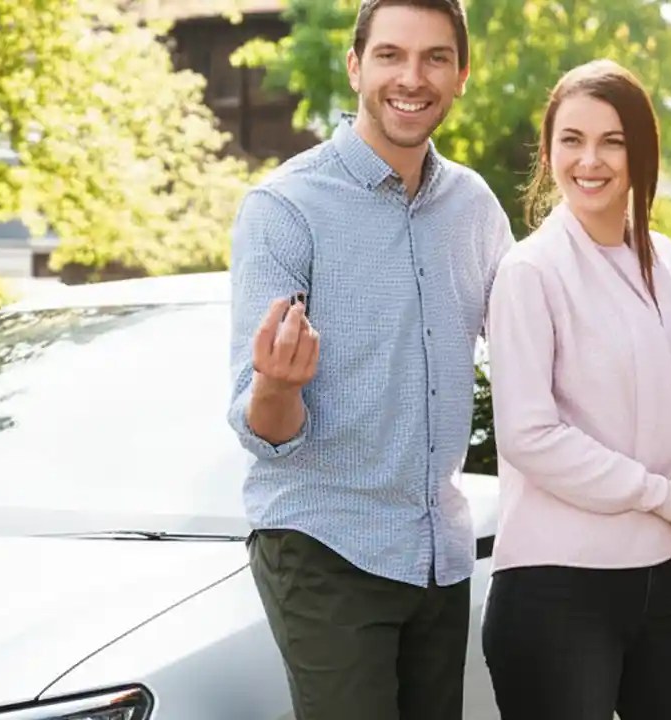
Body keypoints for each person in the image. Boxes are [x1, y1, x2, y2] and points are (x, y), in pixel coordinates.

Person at [225, 0, 513, 717]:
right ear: (356, 66)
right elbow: (264, 432)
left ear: (461, 74)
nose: (411, 78)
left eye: (434, 58)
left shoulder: (474, 208)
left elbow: (535, 353)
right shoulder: (286, 208)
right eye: (390, 55)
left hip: (438, 551)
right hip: (327, 545)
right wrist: (277, 385)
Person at [480, 59, 671, 720]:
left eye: (611, 140)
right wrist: (665, 497)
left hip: (665, 578)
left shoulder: (670, 261)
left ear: (640, 152)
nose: (589, 160)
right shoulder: (529, 272)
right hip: (556, 591)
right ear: (548, 152)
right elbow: (528, 436)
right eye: (571, 140)